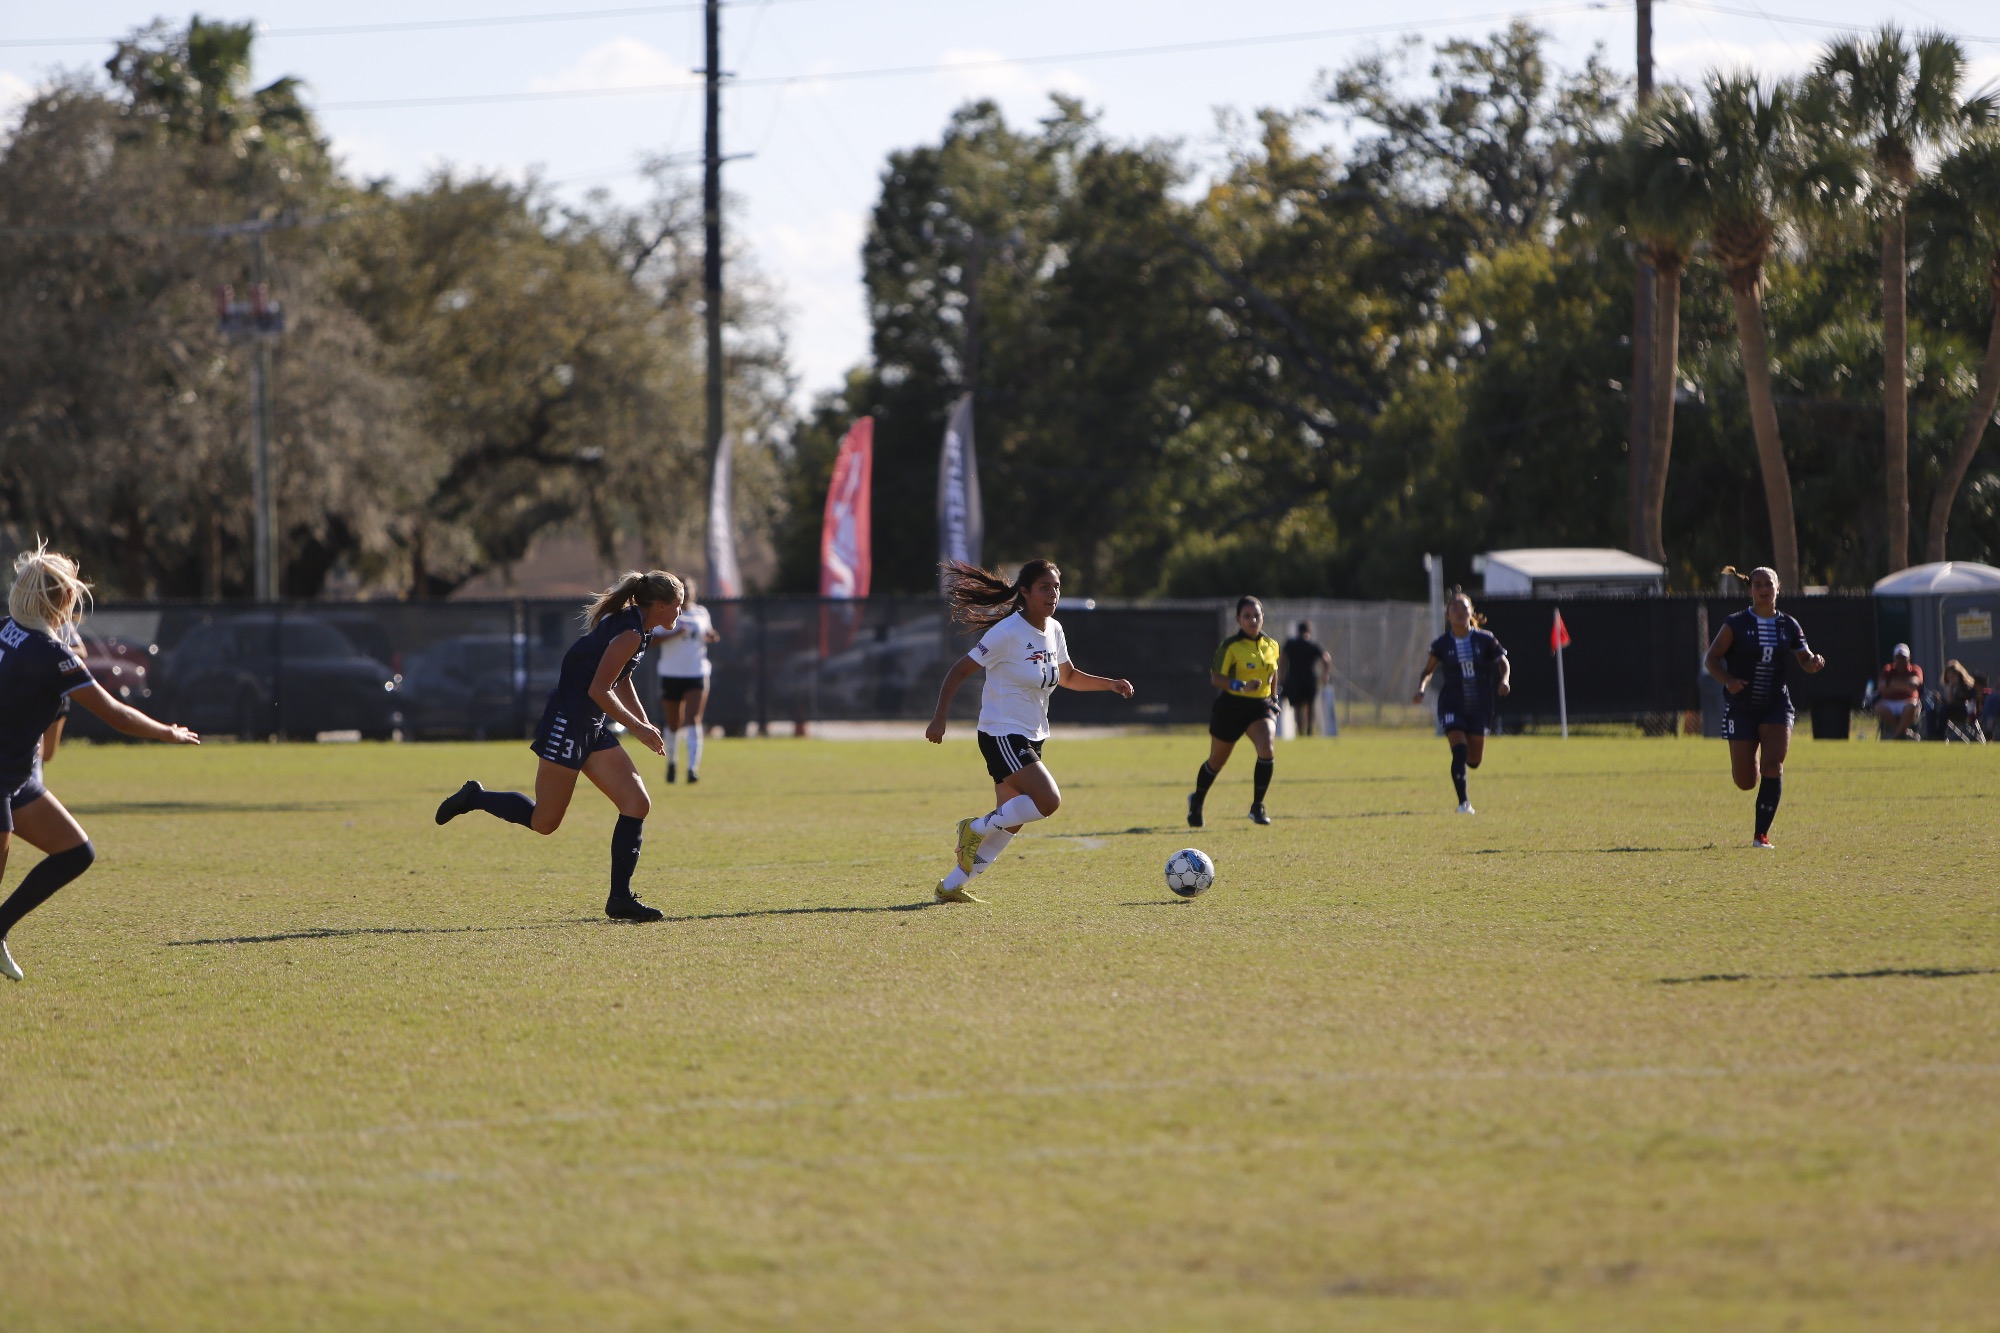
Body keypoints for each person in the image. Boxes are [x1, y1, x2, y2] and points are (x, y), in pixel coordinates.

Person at [0, 544, 201, 982]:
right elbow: (116, 713)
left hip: (16, 779)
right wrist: (167, 732)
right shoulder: (52, 656)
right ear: (61, 600)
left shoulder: (7, 629)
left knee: (75, 851)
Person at [435, 571, 681, 922]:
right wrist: (638, 728)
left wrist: (645, 723)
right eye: (678, 606)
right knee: (545, 821)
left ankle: (620, 899)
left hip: (591, 725)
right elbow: (599, 689)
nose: (680, 613)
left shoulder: (639, 628)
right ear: (659, 605)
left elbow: (620, 679)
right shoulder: (629, 632)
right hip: (568, 722)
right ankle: (475, 797)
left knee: (636, 803)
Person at [925, 559, 1134, 904]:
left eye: (1056, 587)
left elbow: (1067, 676)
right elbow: (959, 671)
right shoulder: (1007, 633)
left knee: (1011, 820)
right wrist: (939, 718)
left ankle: (951, 885)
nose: (1052, 594)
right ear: (1025, 592)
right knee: (1048, 801)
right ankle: (973, 828)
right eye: (1044, 587)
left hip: (1033, 734)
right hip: (1002, 732)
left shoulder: (1054, 629)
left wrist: (1109, 685)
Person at [1702, 565, 1826, 848]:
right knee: (1745, 781)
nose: (1763, 589)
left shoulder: (1789, 625)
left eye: (1768, 584)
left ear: (1778, 588)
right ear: (1750, 590)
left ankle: (1761, 836)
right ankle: (1751, 759)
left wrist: (1813, 662)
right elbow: (1712, 658)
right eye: (1757, 584)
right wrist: (1728, 680)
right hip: (1741, 706)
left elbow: (1804, 659)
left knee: (1774, 765)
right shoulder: (1736, 624)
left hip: (1776, 705)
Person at [1188, 596, 1283, 828]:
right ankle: (1197, 801)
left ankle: (1257, 806)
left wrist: (1274, 698)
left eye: (1256, 615)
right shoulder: (1230, 646)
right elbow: (1216, 678)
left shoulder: (1271, 646)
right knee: (1216, 762)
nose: (1252, 620)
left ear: (1262, 618)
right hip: (1232, 707)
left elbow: (1273, 673)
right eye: (1247, 616)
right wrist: (1240, 685)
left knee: (1267, 747)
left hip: (1260, 707)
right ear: (1238, 619)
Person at [1412, 593, 1510, 814]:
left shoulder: (1485, 639)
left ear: (1471, 612)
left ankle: (1464, 774)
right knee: (1459, 750)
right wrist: (1421, 689)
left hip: (1479, 705)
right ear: (1447, 614)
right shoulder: (1441, 643)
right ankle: (1463, 803)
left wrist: (1504, 680)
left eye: (1463, 608)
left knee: (1473, 761)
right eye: (1454, 608)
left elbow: (1503, 661)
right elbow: (1428, 671)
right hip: (1452, 703)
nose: (1459, 612)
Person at [651, 577, 721, 783]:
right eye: (683, 589)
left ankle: (692, 768)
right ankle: (672, 762)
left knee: (693, 719)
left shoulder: (701, 613)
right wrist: (675, 634)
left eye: (689, 588)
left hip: (696, 672)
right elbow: (652, 640)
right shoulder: (667, 612)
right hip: (671, 673)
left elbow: (707, 632)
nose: (687, 592)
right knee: (674, 724)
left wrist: (711, 636)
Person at [1280, 620, 1335, 738]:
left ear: (1297, 631)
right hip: (1309, 679)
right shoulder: (1312, 644)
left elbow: (1283, 660)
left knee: (1298, 706)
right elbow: (1326, 659)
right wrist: (1325, 674)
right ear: (1309, 631)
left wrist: (1281, 676)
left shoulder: (1290, 644)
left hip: (1294, 679)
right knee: (1310, 705)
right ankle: (1309, 729)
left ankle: (1300, 730)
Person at [1874, 643, 1923, 739]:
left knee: (1911, 706)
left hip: (1907, 701)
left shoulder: (1915, 670)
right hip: (1890, 702)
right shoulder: (1887, 670)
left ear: (1909, 658)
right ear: (1894, 658)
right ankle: (1902, 733)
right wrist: (1904, 684)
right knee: (1879, 707)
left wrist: (1891, 684)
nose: (1900, 661)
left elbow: (1913, 685)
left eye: (1903, 658)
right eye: (1898, 658)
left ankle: (1896, 736)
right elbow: (1881, 686)